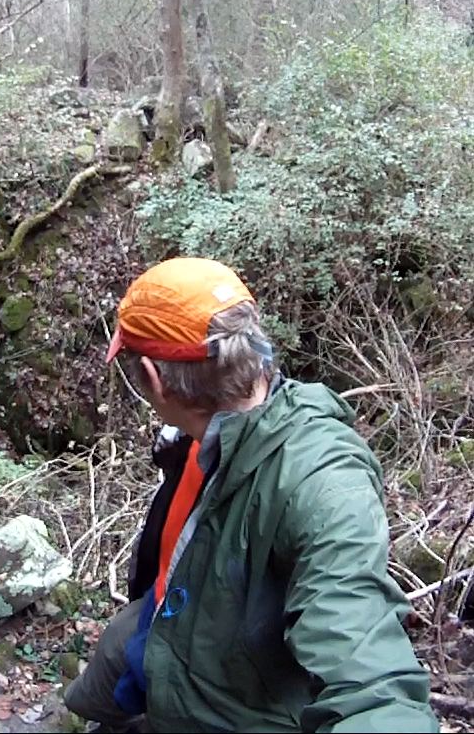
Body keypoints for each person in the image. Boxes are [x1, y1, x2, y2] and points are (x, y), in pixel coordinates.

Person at [64, 257, 438, 733]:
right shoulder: (203, 435)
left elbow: (371, 682)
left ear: (155, 381)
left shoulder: (321, 479)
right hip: (164, 649)